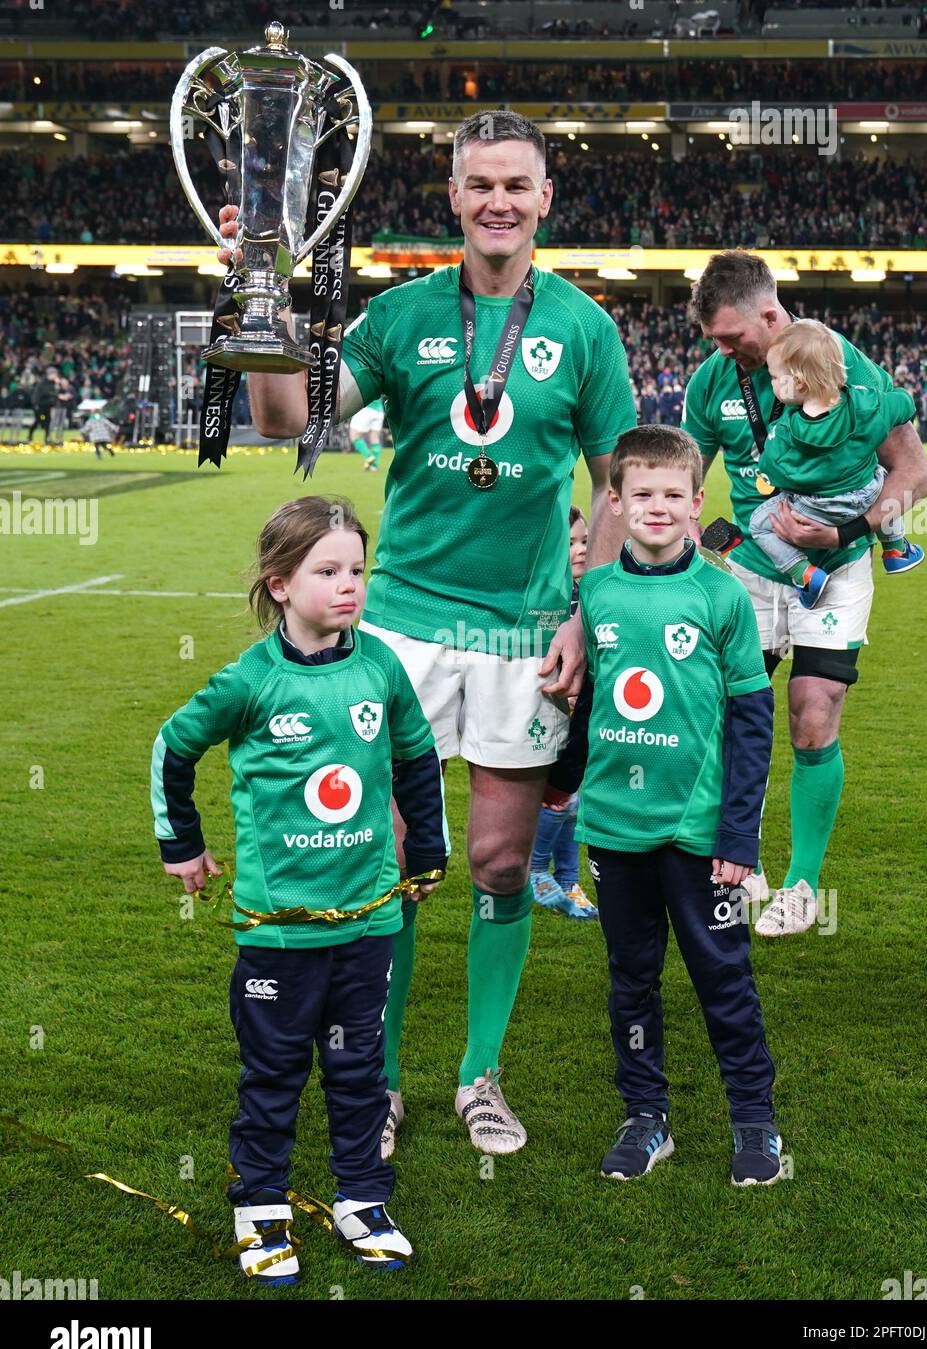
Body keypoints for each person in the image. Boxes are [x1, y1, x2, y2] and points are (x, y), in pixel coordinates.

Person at [223, 109, 636, 1156]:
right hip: (401, 623)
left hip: (524, 630)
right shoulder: (402, 315)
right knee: (398, 860)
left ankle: (479, 1076)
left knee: (500, 863)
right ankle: (383, 1078)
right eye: (479, 184)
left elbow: (619, 483)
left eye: (516, 184)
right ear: (451, 197)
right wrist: (257, 291)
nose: (497, 200)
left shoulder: (584, 328)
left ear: (545, 198)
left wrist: (589, 619)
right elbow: (283, 422)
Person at [150, 496, 449, 1284]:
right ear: (281, 584)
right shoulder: (249, 682)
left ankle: (361, 1197)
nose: (349, 585)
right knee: (275, 1073)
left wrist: (427, 851)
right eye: (327, 571)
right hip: (280, 931)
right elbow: (173, 747)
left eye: (357, 569)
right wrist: (182, 844)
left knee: (360, 1071)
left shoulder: (379, 664)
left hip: (370, 918)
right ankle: (260, 1206)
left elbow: (418, 758)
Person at [546, 425, 781, 1186]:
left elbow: (752, 719)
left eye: (671, 495)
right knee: (630, 977)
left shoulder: (720, 596)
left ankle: (755, 1123)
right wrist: (564, 780)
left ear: (695, 502)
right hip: (615, 826)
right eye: (640, 493)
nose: (656, 506)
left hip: (699, 832)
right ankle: (646, 1118)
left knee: (724, 980)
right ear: (615, 500)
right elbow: (590, 705)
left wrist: (738, 834)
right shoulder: (598, 591)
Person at [682, 251, 927, 937]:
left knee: (812, 714)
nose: (724, 351)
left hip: (839, 564)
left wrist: (846, 529)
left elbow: (913, 471)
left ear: (771, 315)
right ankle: (742, 861)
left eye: (733, 338)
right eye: (714, 342)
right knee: (736, 717)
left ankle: (802, 886)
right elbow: (684, 475)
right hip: (752, 571)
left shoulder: (841, 364)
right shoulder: (711, 381)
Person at [749, 319, 924, 609]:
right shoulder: (866, 403)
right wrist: (899, 401)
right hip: (867, 496)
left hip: (818, 511)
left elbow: (774, 470)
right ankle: (895, 549)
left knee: (759, 524)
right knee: (885, 479)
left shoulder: (786, 429)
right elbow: (904, 402)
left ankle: (805, 575)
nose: (771, 383)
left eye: (776, 378)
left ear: (800, 383)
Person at [529, 505, 599, 921]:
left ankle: (569, 880)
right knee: (560, 794)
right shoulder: (546, 596)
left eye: (585, 542)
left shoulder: (594, 592)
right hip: (549, 708)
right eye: (568, 543)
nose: (579, 551)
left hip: (586, 709)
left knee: (574, 797)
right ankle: (537, 870)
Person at [349, 397, 385, 471]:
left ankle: (368, 456)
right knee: (374, 438)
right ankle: (374, 465)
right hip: (379, 411)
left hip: (366, 409)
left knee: (354, 435)